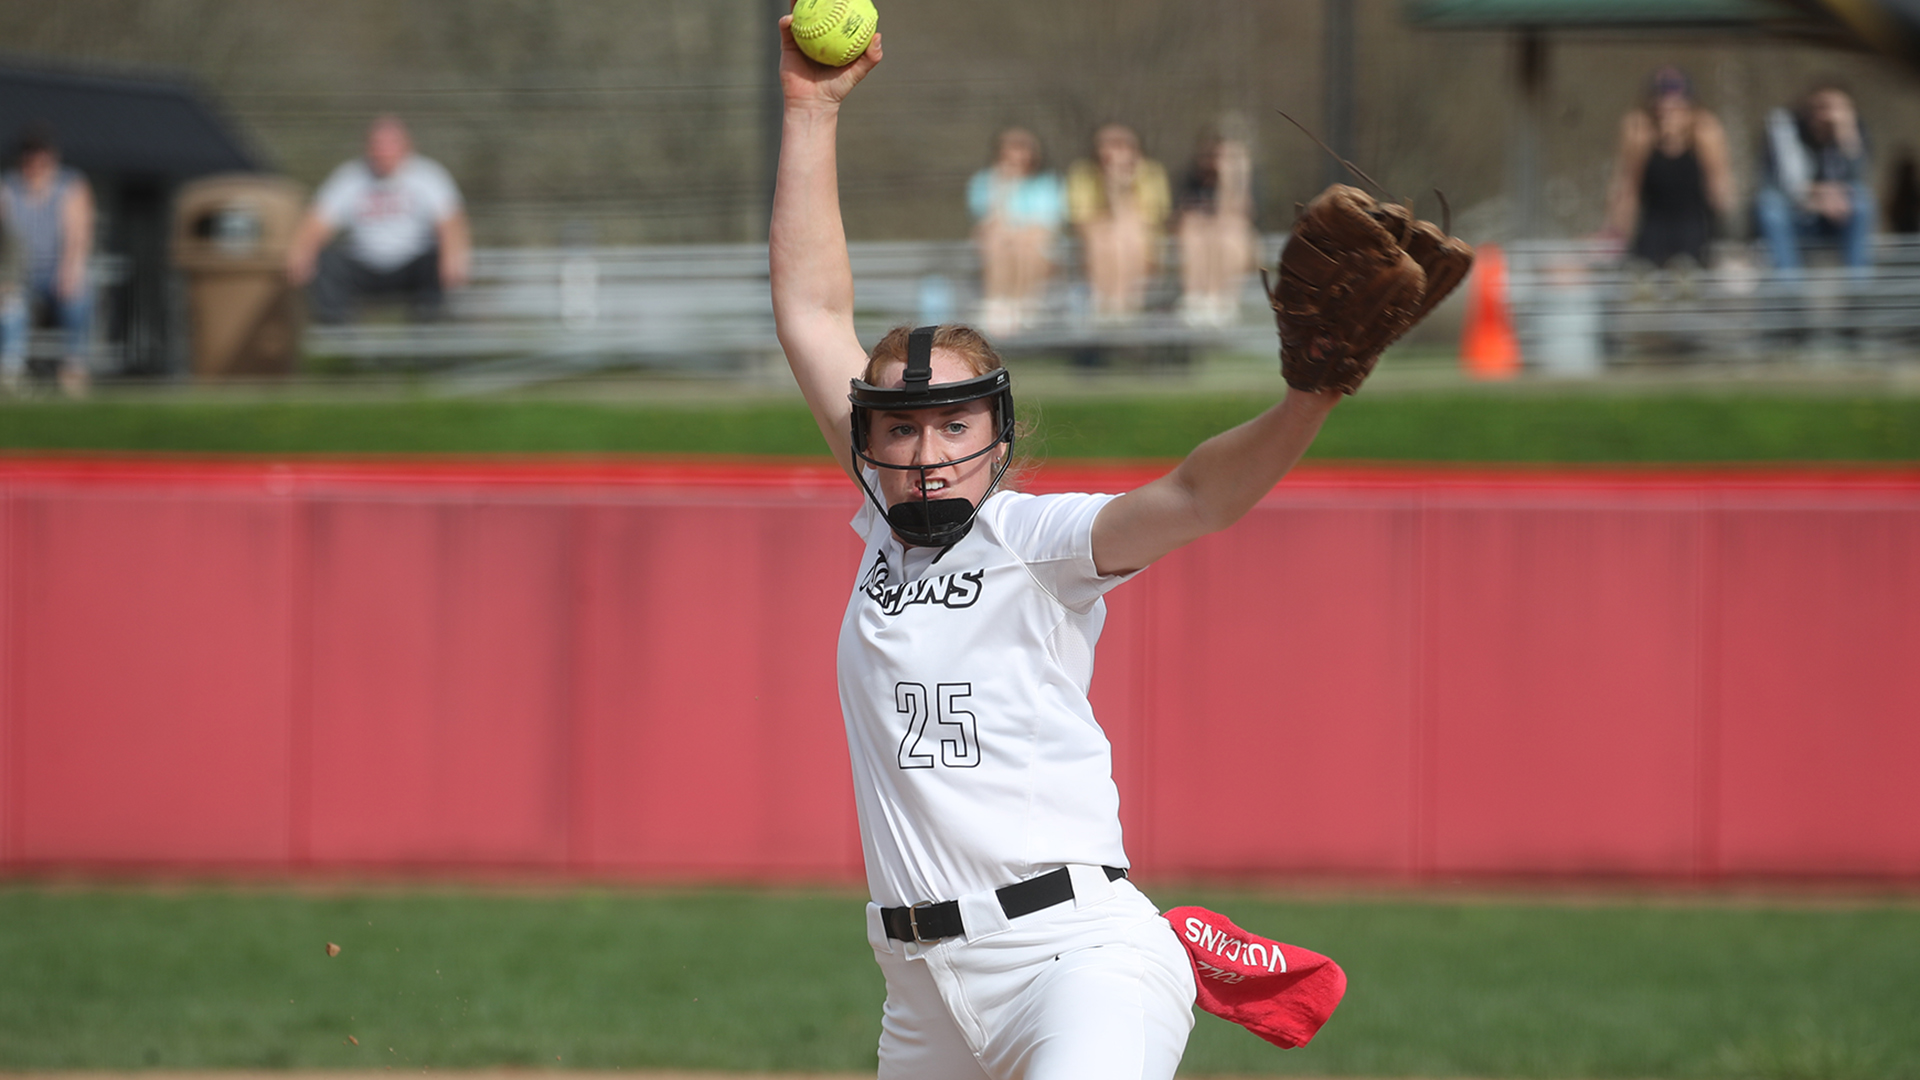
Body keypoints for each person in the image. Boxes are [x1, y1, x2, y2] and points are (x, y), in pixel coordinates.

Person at [769, 18, 1341, 1080]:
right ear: (868, 439)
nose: (927, 452)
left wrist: (1311, 397)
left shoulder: (1031, 538)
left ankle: (1163, 954)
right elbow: (810, 307)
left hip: (1073, 959)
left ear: (999, 434)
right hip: (922, 993)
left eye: (953, 425)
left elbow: (1196, 497)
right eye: (900, 427)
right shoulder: (879, 527)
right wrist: (812, 111)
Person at [286, 115, 470, 323]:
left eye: (390, 144)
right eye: (377, 144)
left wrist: (454, 256)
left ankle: (427, 342)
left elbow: (451, 222)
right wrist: (301, 253)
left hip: (412, 266)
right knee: (326, 262)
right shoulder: (349, 177)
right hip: (363, 267)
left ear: (407, 146)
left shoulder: (428, 176)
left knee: (436, 260)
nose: (383, 151)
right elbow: (317, 221)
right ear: (367, 147)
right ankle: (339, 343)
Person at [1602, 67, 1734, 274]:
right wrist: (1616, 229)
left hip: (1692, 220)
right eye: (1661, 99)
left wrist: (1728, 238)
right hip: (1654, 220)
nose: (1667, 108)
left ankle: (1686, 272)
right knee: (1644, 264)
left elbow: (1720, 190)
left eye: (1676, 102)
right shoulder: (1639, 131)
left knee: (1686, 261)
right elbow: (1628, 188)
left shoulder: (1704, 130)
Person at [0, 125, 96, 398]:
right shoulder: (7, 187)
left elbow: (78, 236)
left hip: (58, 270)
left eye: (41, 154)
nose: (35, 161)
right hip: (19, 274)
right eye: (30, 154)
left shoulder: (70, 185)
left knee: (79, 297)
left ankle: (73, 367)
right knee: (10, 306)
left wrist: (70, 272)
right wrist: (5, 279)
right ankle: (9, 371)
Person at [1756, 80, 1874, 276]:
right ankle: (1789, 292)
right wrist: (1819, 196)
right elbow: (1783, 181)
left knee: (1862, 201)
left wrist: (1845, 132)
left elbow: (1859, 176)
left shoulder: (1853, 132)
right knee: (1769, 205)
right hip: (1795, 215)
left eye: (1836, 108)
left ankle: (1859, 289)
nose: (1827, 115)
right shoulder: (1785, 126)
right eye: (1822, 107)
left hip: (1836, 218)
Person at [968, 127, 1067, 338]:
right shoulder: (984, 181)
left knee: (1027, 241)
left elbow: (1047, 224)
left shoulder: (1046, 183)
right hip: (999, 246)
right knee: (997, 237)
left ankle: (1024, 302)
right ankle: (999, 302)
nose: (1015, 155)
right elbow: (987, 220)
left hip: (1035, 247)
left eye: (1022, 148)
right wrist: (1004, 186)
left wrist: (1016, 232)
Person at [1067, 124, 1170, 320]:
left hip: (1144, 251)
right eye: (1107, 145)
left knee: (1127, 235)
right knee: (1105, 239)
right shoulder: (1084, 174)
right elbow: (1082, 224)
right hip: (1097, 249)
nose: (1114, 153)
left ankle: (1125, 304)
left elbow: (1150, 222)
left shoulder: (1150, 173)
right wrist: (1111, 186)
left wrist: (1122, 188)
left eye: (1121, 145)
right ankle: (1110, 305)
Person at [1175, 124, 1258, 327]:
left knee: (1229, 231)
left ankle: (1221, 299)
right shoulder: (1192, 178)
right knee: (1196, 230)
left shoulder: (1249, 181)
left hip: (1238, 243)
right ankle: (1195, 299)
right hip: (1202, 241)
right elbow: (1181, 215)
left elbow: (1240, 215)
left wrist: (1230, 181)